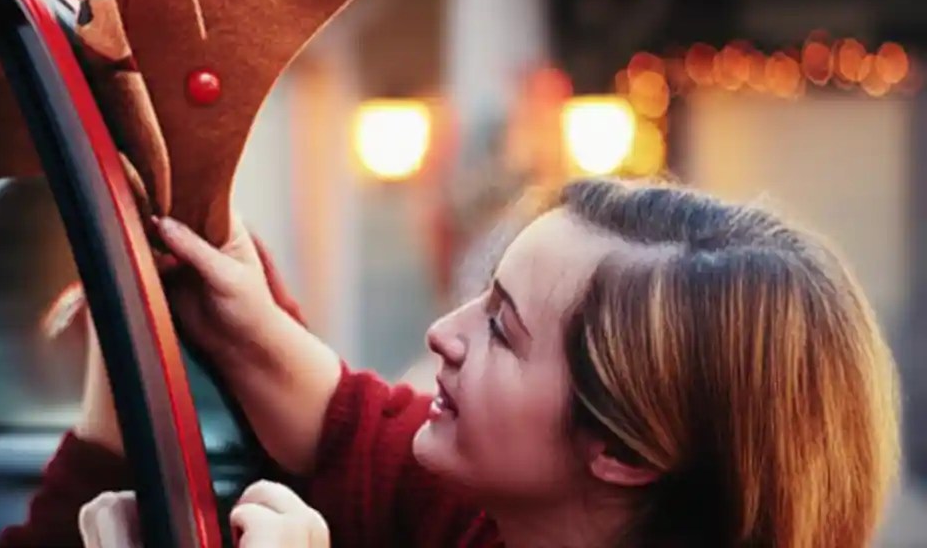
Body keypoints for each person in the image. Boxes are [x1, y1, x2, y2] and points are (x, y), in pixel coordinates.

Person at [61, 178, 900, 548]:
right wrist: (234, 308)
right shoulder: (499, 524)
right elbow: (358, 434)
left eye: (502, 328)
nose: (443, 334)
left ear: (626, 450)